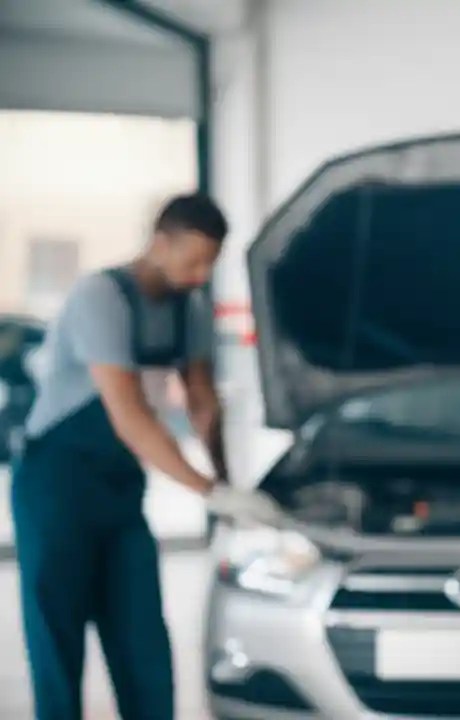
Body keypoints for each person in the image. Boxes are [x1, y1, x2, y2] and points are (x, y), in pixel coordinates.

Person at [11, 193, 280, 719]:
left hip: (118, 485)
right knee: (57, 638)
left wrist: (228, 484)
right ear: (161, 243)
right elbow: (130, 417)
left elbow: (202, 400)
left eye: (210, 263)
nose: (200, 274)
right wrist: (210, 491)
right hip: (55, 485)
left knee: (142, 639)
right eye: (193, 260)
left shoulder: (190, 307)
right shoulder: (100, 297)